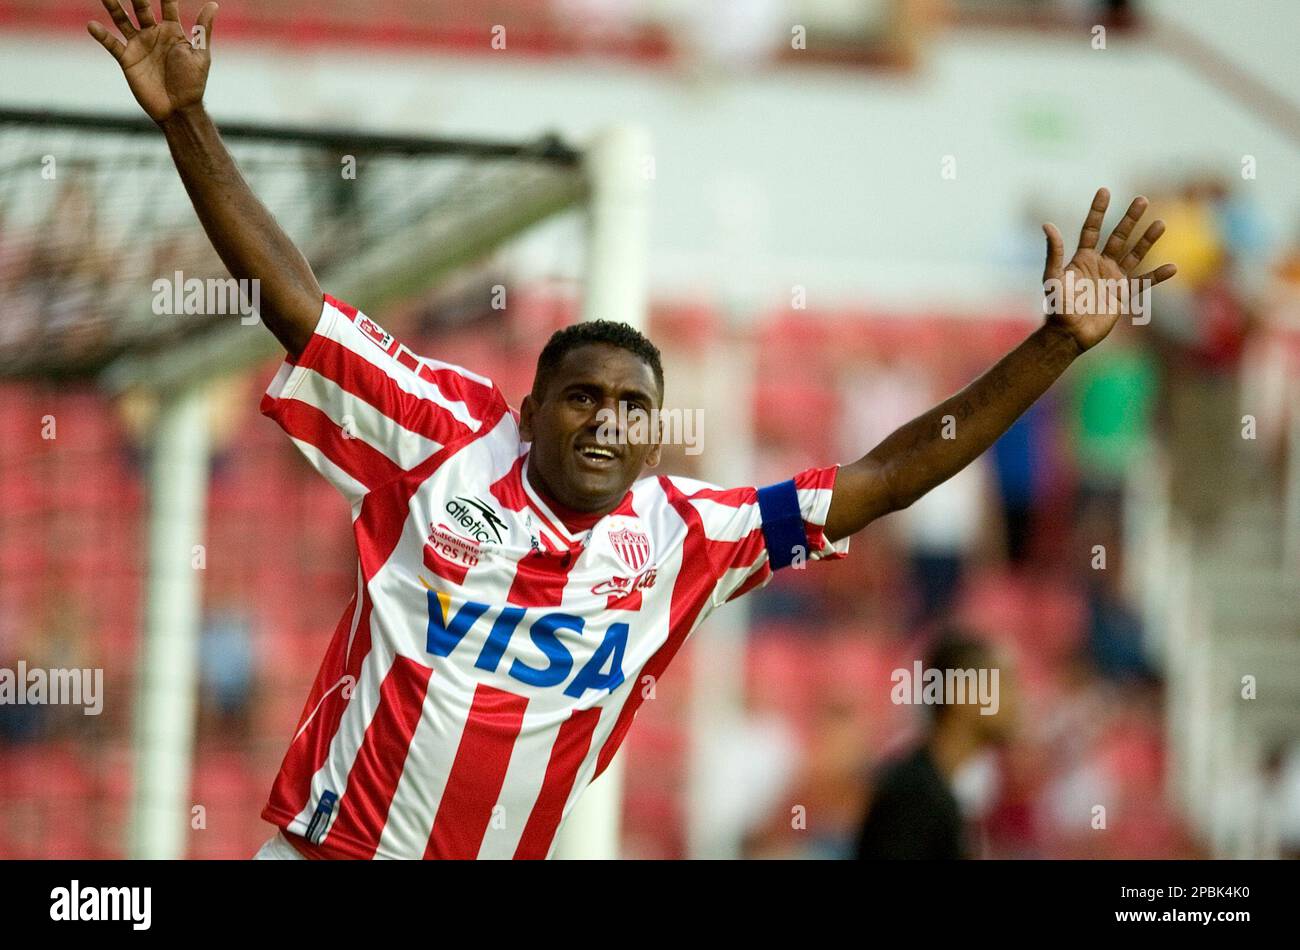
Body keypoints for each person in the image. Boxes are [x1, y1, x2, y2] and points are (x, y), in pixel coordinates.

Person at [87, 1, 1177, 860]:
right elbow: (297, 303)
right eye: (581, 396)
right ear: (529, 411)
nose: (607, 421)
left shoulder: (684, 535)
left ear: (657, 433)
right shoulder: (441, 433)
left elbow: (890, 474)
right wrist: (185, 119)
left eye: (632, 406)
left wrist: (1056, 343)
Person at [855, 633, 1016, 860]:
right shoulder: (911, 797)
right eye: (1004, 685)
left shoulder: (941, 790)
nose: (1017, 701)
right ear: (962, 693)